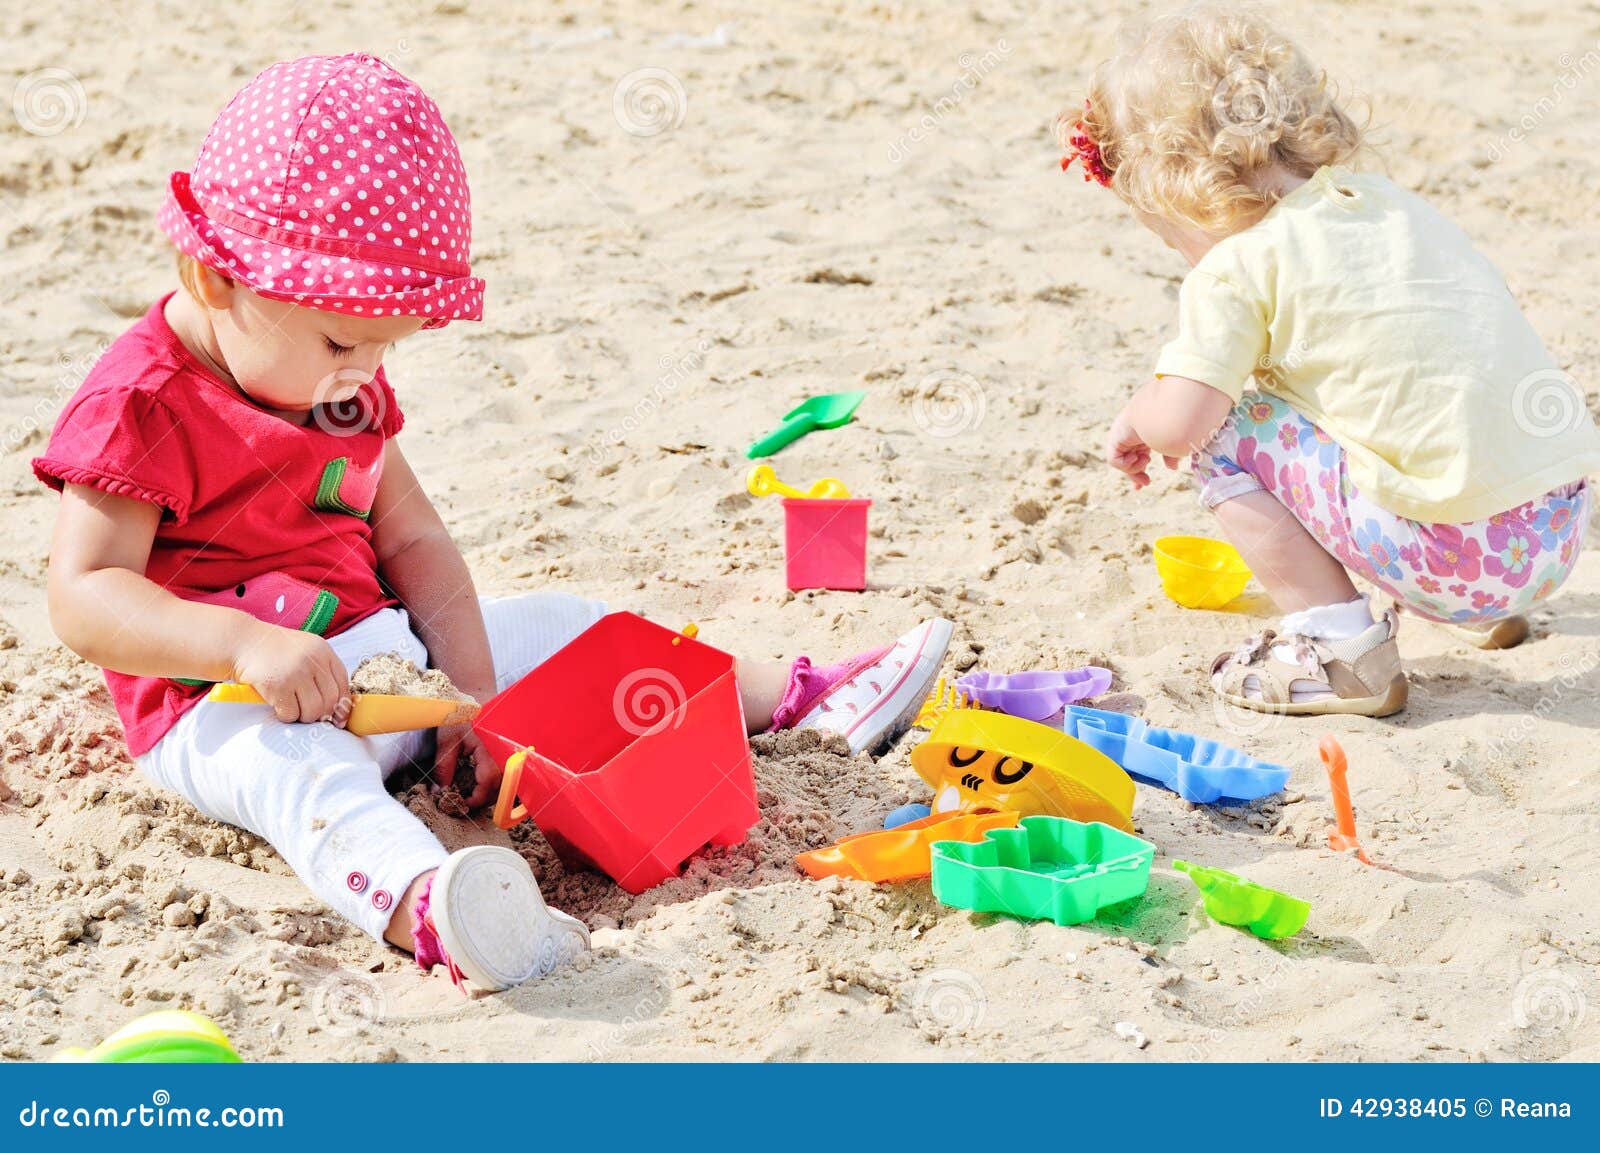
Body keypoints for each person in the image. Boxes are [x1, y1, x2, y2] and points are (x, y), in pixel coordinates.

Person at [33, 54, 951, 992]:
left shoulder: (335, 384)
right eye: (344, 342)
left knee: (569, 625)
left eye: (387, 345)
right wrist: (241, 646)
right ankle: (437, 908)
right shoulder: (139, 404)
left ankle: (791, 696)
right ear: (213, 276)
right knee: (306, 779)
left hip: (389, 666)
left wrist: (474, 697)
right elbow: (84, 594)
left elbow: (414, 540)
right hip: (229, 703)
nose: (363, 373)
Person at [1064, 3, 1600, 716]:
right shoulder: (1383, 204)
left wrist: (1141, 410)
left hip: (1459, 559)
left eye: (1166, 235)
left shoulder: (1236, 267)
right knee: (1377, 394)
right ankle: (1487, 615)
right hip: (1554, 526)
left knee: (1231, 431)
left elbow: (1183, 422)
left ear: (1176, 188)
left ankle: (1342, 649)